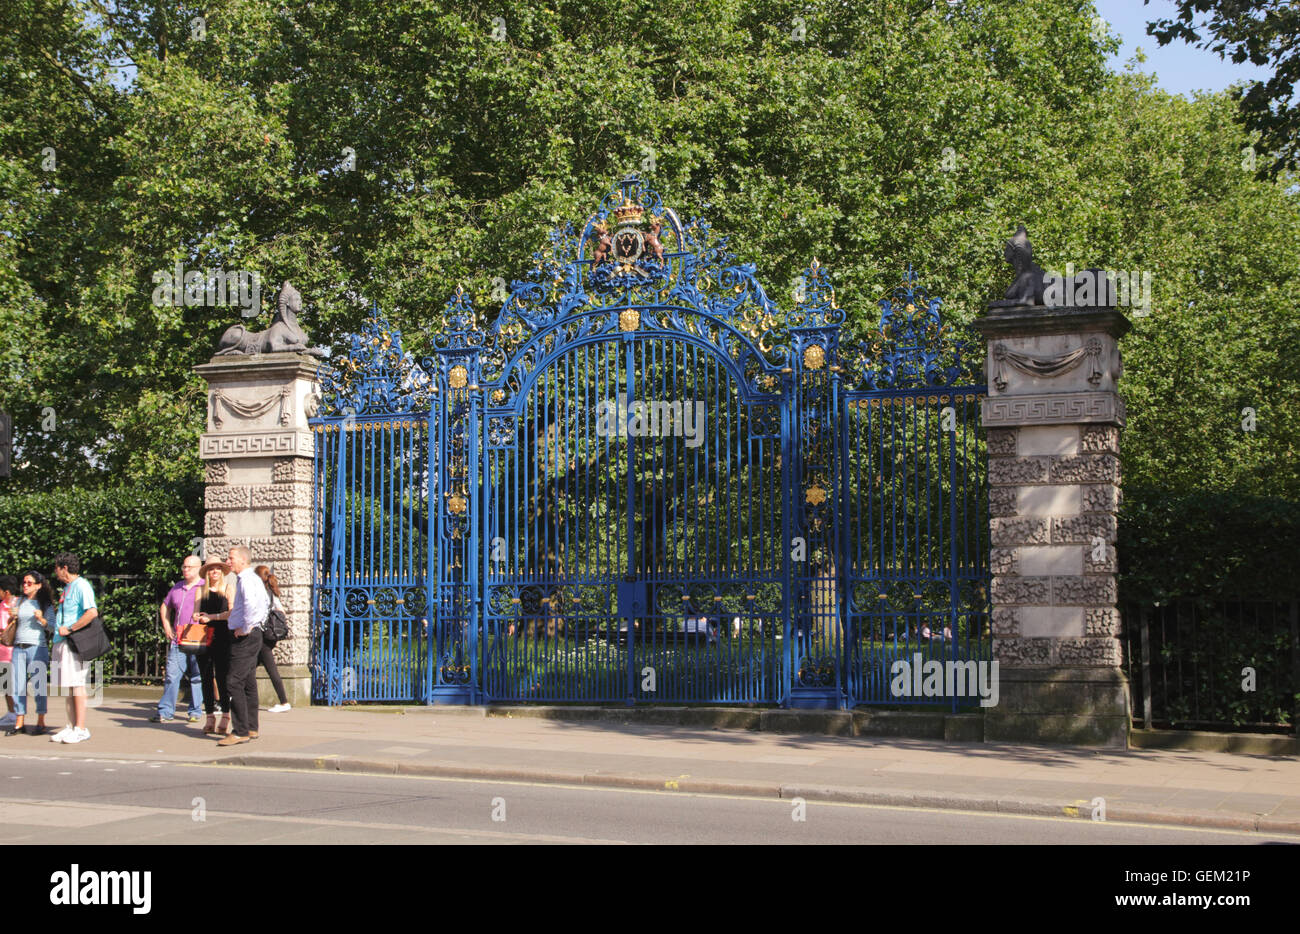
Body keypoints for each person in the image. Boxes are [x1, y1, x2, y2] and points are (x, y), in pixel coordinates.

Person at [218, 545, 268, 746]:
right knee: (248, 682)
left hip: (245, 637)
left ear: (243, 560)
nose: (228, 561)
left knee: (233, 681)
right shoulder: (252, 579)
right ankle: (251, 727)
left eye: (231, 558)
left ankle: (240, 731)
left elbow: (251, 606)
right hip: (252, 634)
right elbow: (264, 603)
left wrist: (246, 627)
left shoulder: (247, 580)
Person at [151, 556, 205, 724]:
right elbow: (165, 606)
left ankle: (195, 711)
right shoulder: (177, 587)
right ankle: (166, 711)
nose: (185, 570)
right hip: (179, 639)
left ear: (198, 568)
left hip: (197, 638)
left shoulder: (204, 587)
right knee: (172, 674)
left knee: (197, 676)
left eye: (189, 567)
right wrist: (167, 627)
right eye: (184, 566)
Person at [50, 553, 96, 744]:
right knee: (70, 687)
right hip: (62, 642)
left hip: (73, 643)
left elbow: (92, 612)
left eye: (56, 567)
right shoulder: (69, 587)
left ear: (64, 568)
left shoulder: (81, 585)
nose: (55, 571)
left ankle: (81, 728)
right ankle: (71, 726)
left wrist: (70, 629)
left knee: (77, 685)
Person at [8, 572, 54, 737]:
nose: (25, 585)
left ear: (38, 585)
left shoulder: (44, 604)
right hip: (18, 646)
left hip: (37, 647)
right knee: (18, 685)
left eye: (29, 582)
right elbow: (12, 625)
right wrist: (12, 617)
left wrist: (42, 619)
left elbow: (52, 627)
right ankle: (19, 721)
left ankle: (41, 721)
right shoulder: (20, 601)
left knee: (38, 686)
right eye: (24, 582)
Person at [194, 561, 234, 735]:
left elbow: (231, 612)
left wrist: (213, 617)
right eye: (211, 569)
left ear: (222, 572)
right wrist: (197, 615)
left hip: (222, 637)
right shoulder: (200, 590)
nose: (214, 571)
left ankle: (226, 715)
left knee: (222, 677)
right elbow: (195, 613)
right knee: (206, 676)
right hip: (204, 637)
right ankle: (210, 716)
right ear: (206, 573)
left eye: (217, 569)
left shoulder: (228, 588)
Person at [253, 565, 291, 713]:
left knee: (270, 668)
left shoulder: (261, 592)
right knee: (249, 665)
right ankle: (234, 695)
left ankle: (284, 701)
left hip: (262, 634)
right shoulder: (272, 592)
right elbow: (281, 611)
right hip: (270, 635)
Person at [0, 576, 16, 729]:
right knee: (6, 686)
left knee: (12, 686)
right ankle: (11, 713)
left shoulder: (17, 605)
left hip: (12, 652)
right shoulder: (1, 605)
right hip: (2, 652)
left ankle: (16, 714)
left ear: (6, 592)